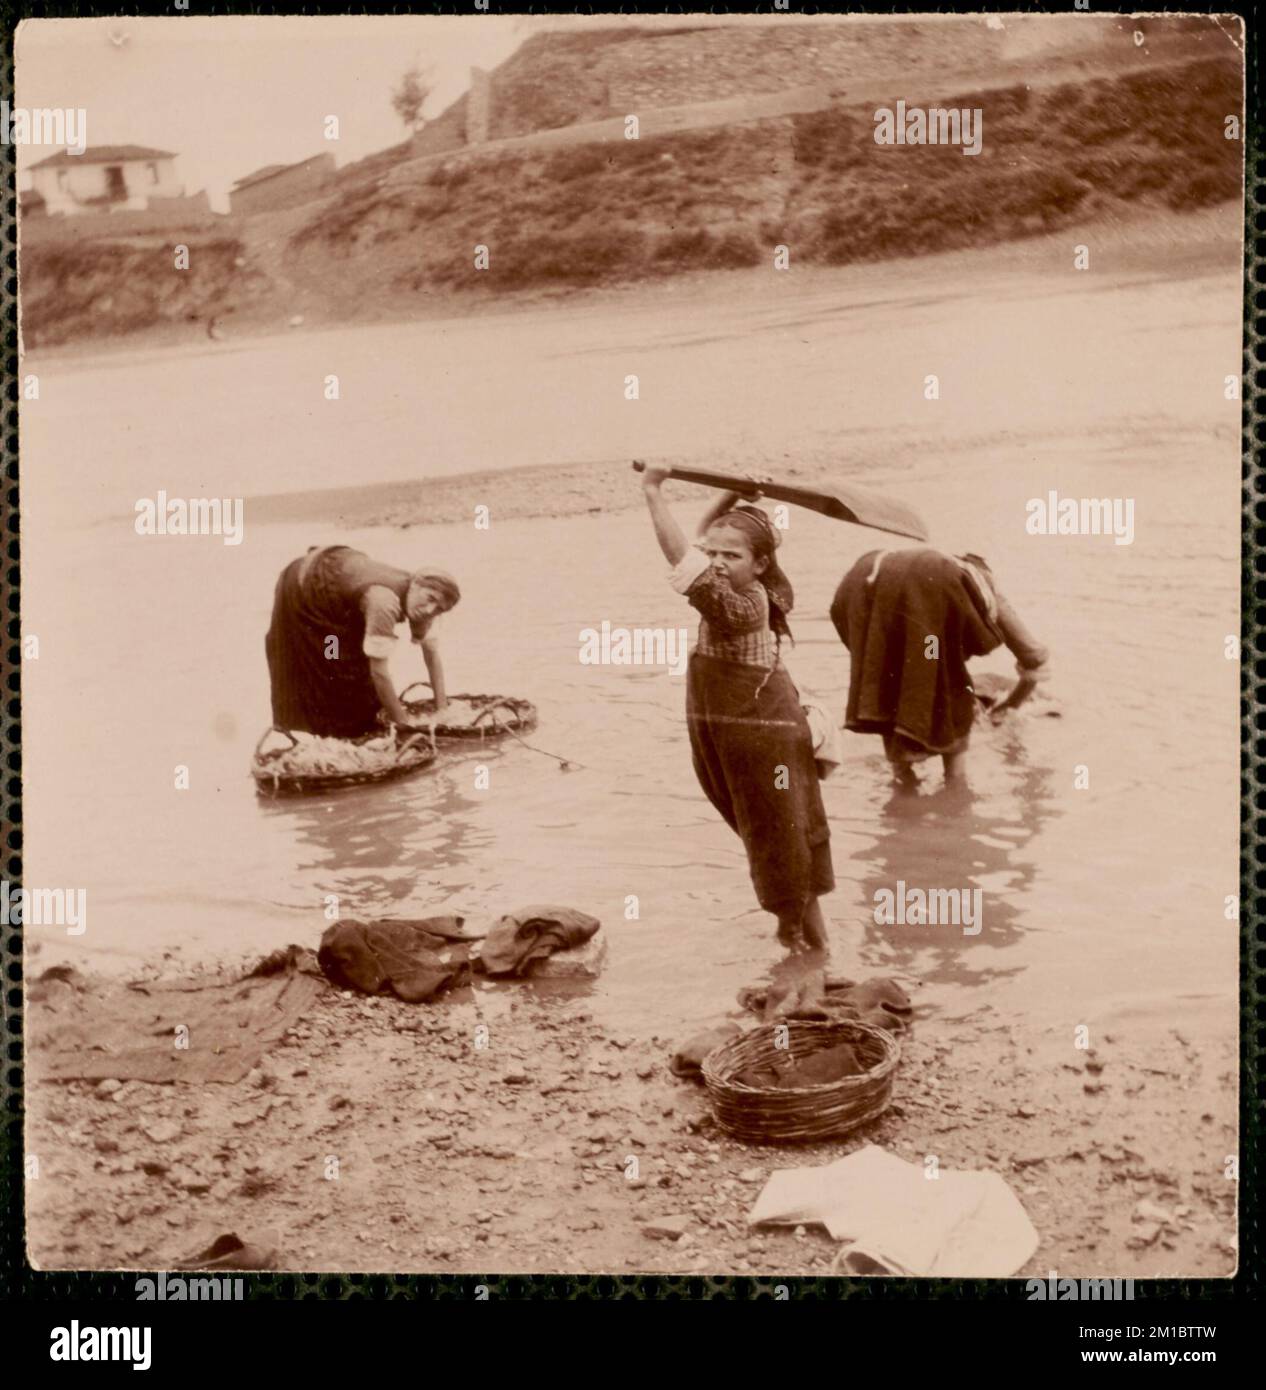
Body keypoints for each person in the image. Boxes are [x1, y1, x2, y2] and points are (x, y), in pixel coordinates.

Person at [641, 466, 834, 954]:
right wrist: (731, 493)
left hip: (762, 733)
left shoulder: (741, 606)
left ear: (762, 564)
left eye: (735, 555)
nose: (721, 562)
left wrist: (653, 490)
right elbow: (700, 547)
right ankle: (798, 933)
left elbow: (683, 557)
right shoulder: (753, 583)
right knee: (774, 829)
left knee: (779, 833)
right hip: (740, 726)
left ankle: (806, 944)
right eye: (717, 554)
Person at [830, 546, 1049, 785]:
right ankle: (955, 787)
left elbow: (851, 628)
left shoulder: (946, 569)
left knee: (890, 688)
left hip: (862, 578)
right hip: (925, 585)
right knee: (952, 700)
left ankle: (903, 782)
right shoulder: (977, 581)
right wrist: (1010, 706)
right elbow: (1034, 656)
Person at [265, 545, 460, 739]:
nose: (429, 610)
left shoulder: (425, 601)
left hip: (342, 575)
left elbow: (432, 654)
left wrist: (442, 709)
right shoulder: (384, 602)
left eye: (439, 608)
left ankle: (365, 727)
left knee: (360, 674)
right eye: (431, 599)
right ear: (416, 584)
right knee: (332, 663)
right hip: (311, 586)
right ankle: (335, 737)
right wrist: (405, 727)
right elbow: (380, 673)